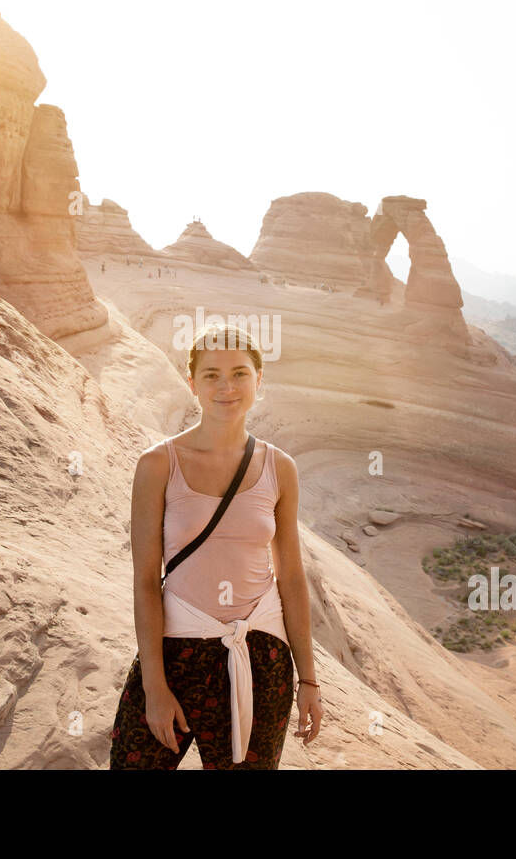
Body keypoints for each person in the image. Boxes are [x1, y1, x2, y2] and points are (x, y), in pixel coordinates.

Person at [108, 323, 322, 769]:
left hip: (261, 655)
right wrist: (155, 686)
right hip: (177, 650)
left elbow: (292, 576)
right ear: (192, 384)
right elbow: (146, 580)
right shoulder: (157, 464)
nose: (227, 386)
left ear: (258, 381)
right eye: (211, 375)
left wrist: (309, 681)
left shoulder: (279, 468)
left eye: (240, 373)